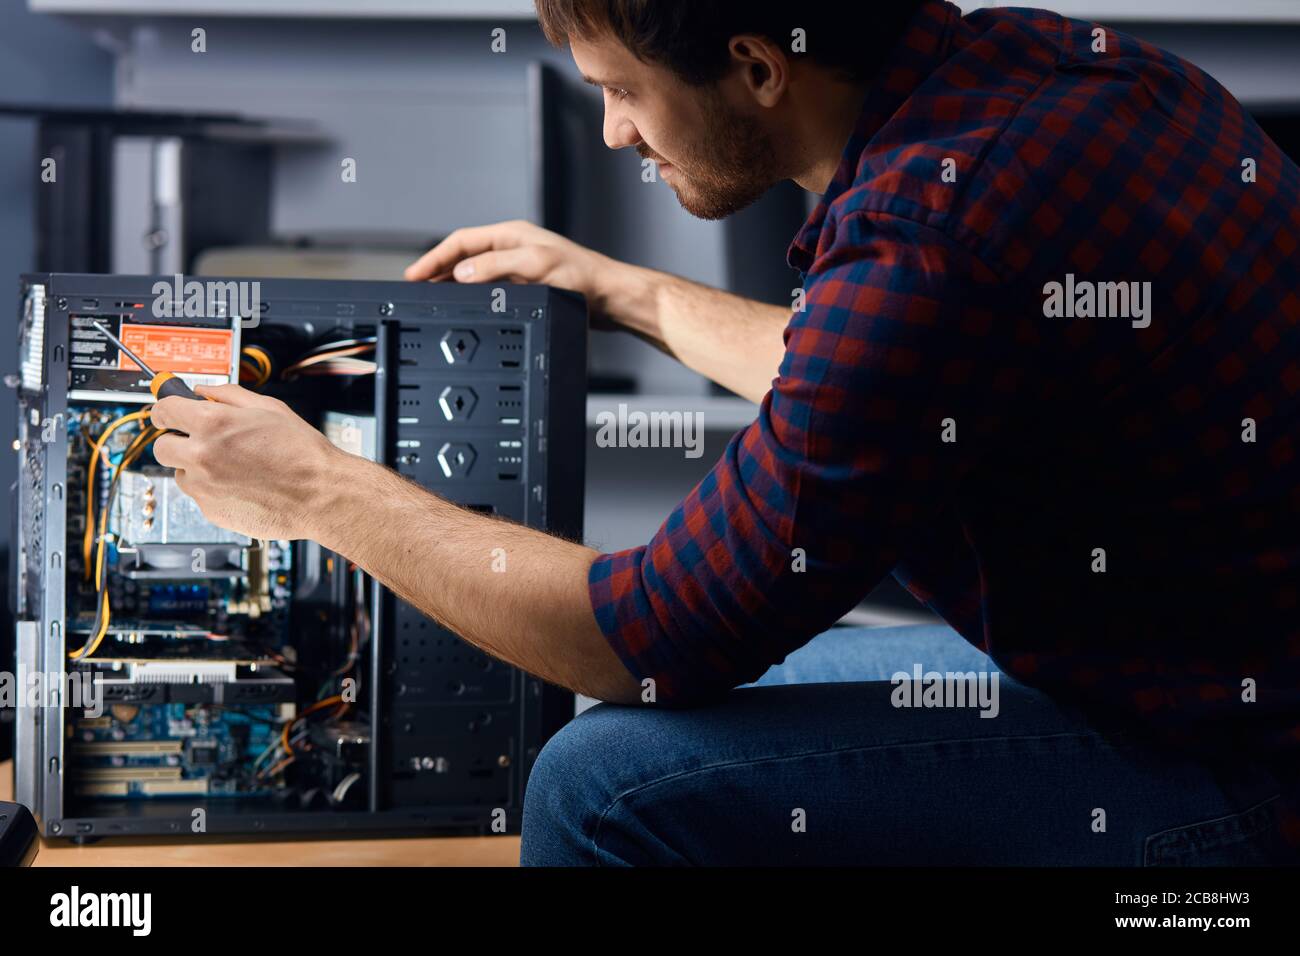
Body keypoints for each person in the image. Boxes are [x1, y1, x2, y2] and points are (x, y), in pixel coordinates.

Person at [150, 0, 1300, 865]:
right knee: (770, 676)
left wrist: (319, 493)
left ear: (754, 64)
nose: (609, 132)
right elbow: (877, 381)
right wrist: (628, 293)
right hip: (1196, 672)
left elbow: (646, 637)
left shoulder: (923, 237)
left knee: (601, 779)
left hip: (1231, 771)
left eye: (622, 88)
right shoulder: (1045, 68)